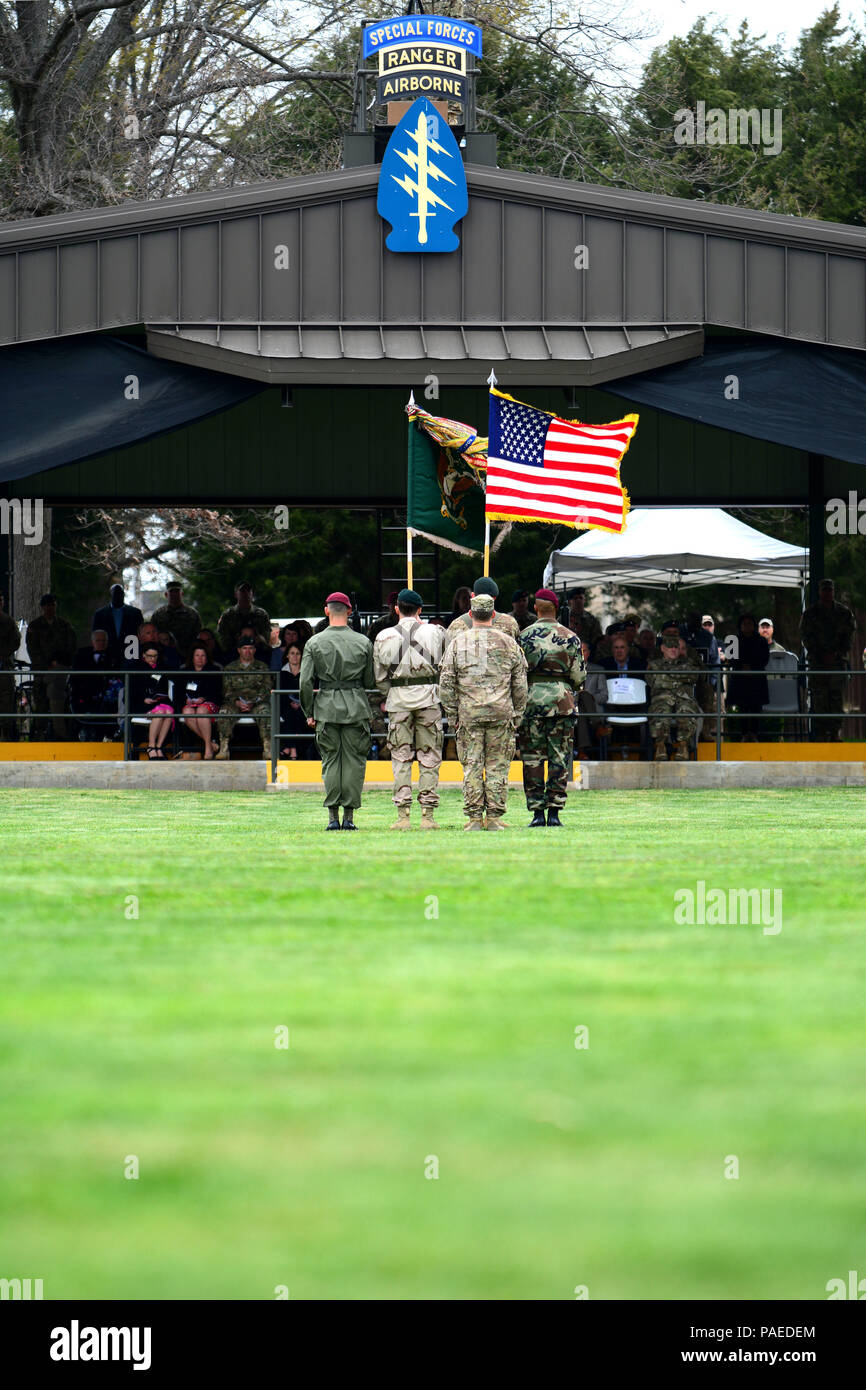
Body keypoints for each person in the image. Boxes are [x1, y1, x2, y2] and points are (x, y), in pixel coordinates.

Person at [439, 592, 527, 830]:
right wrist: (517, 715)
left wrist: (452, 716)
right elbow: (520, 685)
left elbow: (446, 683)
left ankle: (474, 818)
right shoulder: (509, 642)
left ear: (471, 612)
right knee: (498, 766)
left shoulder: (458, 642)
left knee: (472, 766)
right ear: (493, 612)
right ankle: (495, 817)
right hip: (501, 713)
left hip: (469, 715)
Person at [300, 591, 375, 830]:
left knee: (331, 761)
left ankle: (333, 818)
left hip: (326, 707)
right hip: (355, 706)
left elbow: (305, 682)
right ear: (350, 612)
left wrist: (308, 711)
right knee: (354, 762)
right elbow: (370, 680)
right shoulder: (363, 642)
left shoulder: (314, 642)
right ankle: (349, 818)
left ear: (326, 611)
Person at [373, 587, 445, 830]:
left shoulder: (383, 636)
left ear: (396, 609)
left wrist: (393, 692)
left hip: (399, 702)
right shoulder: (436, 632)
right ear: (420, 610)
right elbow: (445, 667)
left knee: (401, 758)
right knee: (430, 758)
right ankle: (428, 815)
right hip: (429, 699)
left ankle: (403, 816)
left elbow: (379, 677)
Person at [517, 588, 585, 827]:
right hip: (561, 702)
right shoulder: (570, 637)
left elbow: (516, 675)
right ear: (556, 608)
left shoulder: (522, 636)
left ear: (535, 608)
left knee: (532, 758)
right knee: (559, 756)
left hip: (531, 702)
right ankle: (554, 812)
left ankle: (537, 813)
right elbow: (578, 677)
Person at [800, 580, 855, 740]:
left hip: (837, 662)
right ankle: (822, 733)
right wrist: (820, 654)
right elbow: (806, 636)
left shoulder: (844, 613)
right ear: (819, 592)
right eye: (824, 590)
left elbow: (849, 637)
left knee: (836, 697)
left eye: (830, 590)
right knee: (819, 698)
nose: (827, 593)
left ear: (833, 592)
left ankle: (835, 732)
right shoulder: (811, 613)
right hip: (818, 662)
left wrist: (837, 653)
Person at [25, 593, 77, 740]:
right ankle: (39, 734)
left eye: (52, 605)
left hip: (60, 672)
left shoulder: (65, 626)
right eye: (47, 605)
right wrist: (46, 664)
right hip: (42, 672)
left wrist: (59, 662)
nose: (50, 608)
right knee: (40, 705)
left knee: (61, 704)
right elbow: (33, 650)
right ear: (42, 607)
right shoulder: (35, 626)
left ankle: (60, 734)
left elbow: (71, 647)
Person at [646, 633, 701, 760]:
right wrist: (680, 676)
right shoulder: (654, 664)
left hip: (684, 698)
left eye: (676, 647)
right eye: (670, 647)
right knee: (660, 712)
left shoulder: (687, 662)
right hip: (662, 698)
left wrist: (666, 675)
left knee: (686, 711)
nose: (673, 649)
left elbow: (694, 676)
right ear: (662, 648)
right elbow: (654, 681)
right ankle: (660, 746)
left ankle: (683, 746)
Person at [216, 637, 272, 759]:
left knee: (266, 712)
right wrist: (237, 702)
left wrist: (253, 701)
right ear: (239, 650)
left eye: (251, 648)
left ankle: (268, 748)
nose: (248, 651)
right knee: (224, 712)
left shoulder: (262, 667)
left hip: (256, 703)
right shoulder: (230, 668)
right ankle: (223, 748)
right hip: (235, 703)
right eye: (244, 648)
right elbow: (226, 691)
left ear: (255, 650)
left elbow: (266, 689)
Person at [727, 614, 770, 741]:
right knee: (742, 707)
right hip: (740, 679)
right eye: (744, 623)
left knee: (756, 707)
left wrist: (752, 667)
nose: (747, 626)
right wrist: (743, 666)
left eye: (749, 623)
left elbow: (764, 659)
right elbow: (731, 659)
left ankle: (755, 733)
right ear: (740, 626)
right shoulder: (732, 639)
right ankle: (744, 733)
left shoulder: (761, 640)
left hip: (756, 678)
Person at [444, 576, 520, 647]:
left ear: (473, 596)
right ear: (495, 598)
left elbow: (447, 655)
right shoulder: (510, 623)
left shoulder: (456, 625)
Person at [129, 642, 175, 758]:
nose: (152, 659)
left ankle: (159, 747)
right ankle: (151, 746)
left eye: (155, 656)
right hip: (143, 703)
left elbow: (165, 688)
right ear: (143, 655)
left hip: (160, 702)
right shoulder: (136, 667)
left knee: (168, 713)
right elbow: (132, 690)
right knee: (160, 713)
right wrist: (144, 699)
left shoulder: (163, 667)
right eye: (149, 656)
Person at [179, 642, 223, 759]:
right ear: (192, 658)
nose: (200, 658)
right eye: (197, 655)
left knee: (201, 711)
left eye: (203, 655)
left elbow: (217, 692)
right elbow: (179, 692)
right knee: (187, 712)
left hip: (209, 703)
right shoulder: (184, 671)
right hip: (191, 704)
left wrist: (203, 699)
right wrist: (186, 700)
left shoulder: (214, 670)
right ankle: (210, 743)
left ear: (207, 657)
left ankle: (208, 749)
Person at [68, 630, 114, 740]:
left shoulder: (113, 657)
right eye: (98, 640)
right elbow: (75, 679)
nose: (101, 643)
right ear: (92, 642)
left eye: (104, 640)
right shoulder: (81, 656)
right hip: (85, 696)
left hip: (107, 698)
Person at [91, 584, 143, 666]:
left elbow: (141, 635)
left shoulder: (135, 613)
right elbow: (95, 635)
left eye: (120, 593)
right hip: (107, 654)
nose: (118, 596)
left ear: (124, 594)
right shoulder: (100, 614)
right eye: (115, 593)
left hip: (131, 653)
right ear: (110, 595)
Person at [150, 581, 202, 662]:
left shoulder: (192, 614)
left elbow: (198, 636)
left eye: (177, 592)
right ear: (166, 595)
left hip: (187, 656)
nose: (174, 594)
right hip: (164, 657)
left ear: (182, 594)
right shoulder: (158, 614)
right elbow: (152, 635)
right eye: (171, 592)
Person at [217, 581, 270, 655]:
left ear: (252, 594)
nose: (245, 593)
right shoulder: (228, 615)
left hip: (258, 653)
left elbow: (267, 638)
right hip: (233, 654)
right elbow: (222, 639)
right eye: (242, 591)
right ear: (236, 594)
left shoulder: (261, 614)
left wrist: (259, 639)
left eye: (248, 591)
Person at [575, 638, 608, 755]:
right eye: (578, 651)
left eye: (584, 651)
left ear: (588, 653)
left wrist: (591, 697)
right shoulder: (569, 670)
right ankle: (598, 725)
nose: (581, 654)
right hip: (574, 705)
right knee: (581, 699)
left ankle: (581, 751)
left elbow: (604, 696)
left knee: (584, 698)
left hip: (593, 707)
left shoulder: (598, 670)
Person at [277, 643, 309, 759]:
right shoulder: (281, 674)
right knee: (290, 714)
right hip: (286, 705)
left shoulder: (308, 672)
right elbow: (279, 694)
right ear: (287, 656)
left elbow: (311, 690)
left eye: (298, 653)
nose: (295, 656)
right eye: (292, 653)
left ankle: (288, 747)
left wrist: (301, 703)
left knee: (299, 714)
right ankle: (293, 749)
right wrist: (290, 703)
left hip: (304, 705)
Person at [0, 593, 20, 741]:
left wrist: (2, 653)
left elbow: (15, 643)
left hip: (4, 667)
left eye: (1, 600)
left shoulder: (8, 622)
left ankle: (6, 735)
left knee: (6, 702)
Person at [566, 588, 602, 654]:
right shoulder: (564, 618)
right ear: (569, 601)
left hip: (587, 655)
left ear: (584, 600)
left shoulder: (592, 620)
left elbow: (598, 640)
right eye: (575, 598)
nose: (578, 601)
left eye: (581, 598)